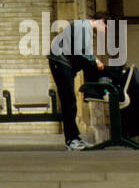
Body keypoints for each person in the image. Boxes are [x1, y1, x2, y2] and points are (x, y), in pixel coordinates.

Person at [46, 13, 108, 150]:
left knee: (70, 101)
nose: (103, 30)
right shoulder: (83, 26)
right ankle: (71, 141)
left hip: (63, 63)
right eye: (104, 26)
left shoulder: (84, 28)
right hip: (60, 62)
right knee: (68, 101)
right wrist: (96, 60)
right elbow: (82, 51)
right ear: (98, 21)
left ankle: (75, 138)